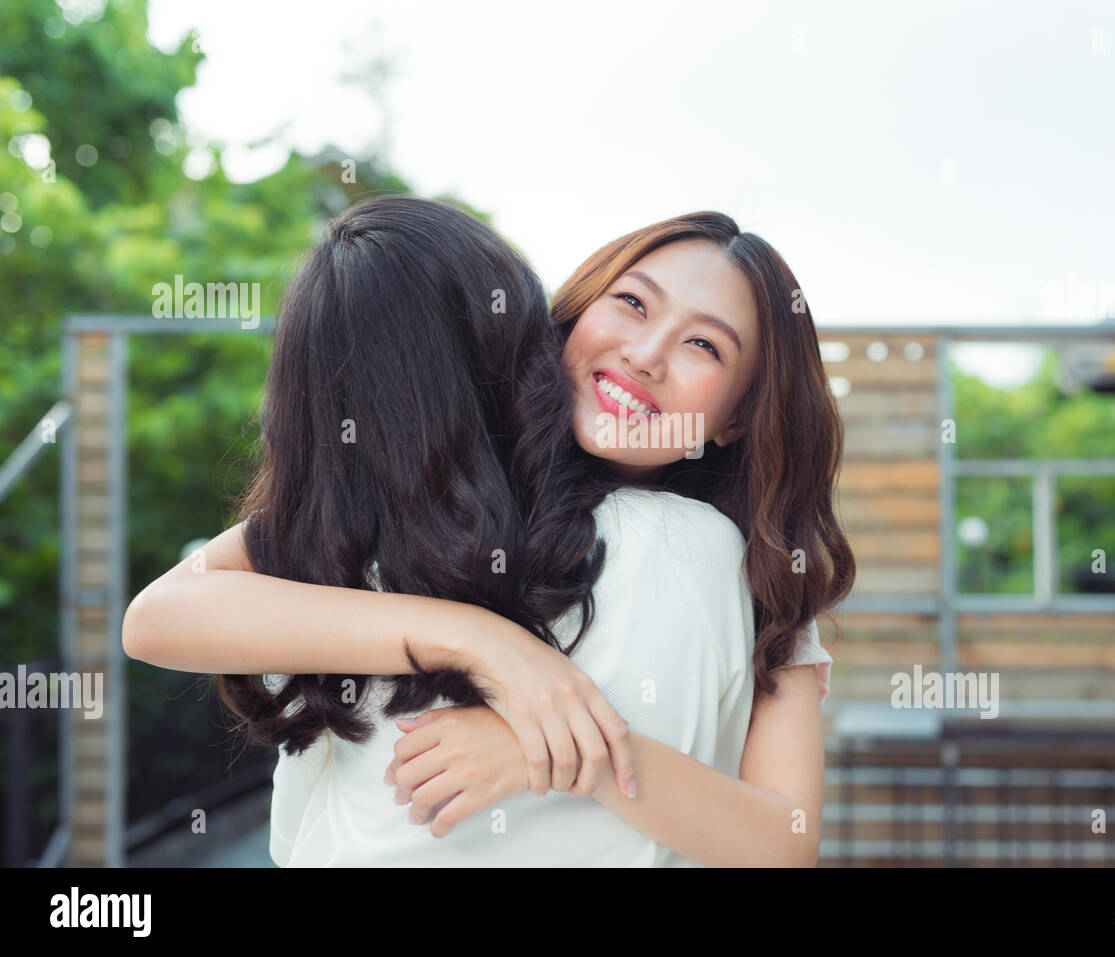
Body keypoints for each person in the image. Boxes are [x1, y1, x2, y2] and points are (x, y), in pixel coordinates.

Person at [124, 200, 853, 867]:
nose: (645, 354)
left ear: (734, 419)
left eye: (705, 347)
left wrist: (568, 747)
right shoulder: (441, 475)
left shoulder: (757, 573)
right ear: (577, 308)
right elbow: (158, 617)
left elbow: (783, 842)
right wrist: (483, 642)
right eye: (631, 303)